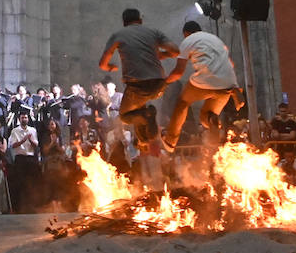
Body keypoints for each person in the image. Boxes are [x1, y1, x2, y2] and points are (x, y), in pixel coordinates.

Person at [98, 8, 181, 148]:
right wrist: (162, 55)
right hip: (159, 85)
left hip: (137, 87)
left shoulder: (119, 35)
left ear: (124, 22)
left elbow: (102, 64)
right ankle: (144, 138)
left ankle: (146, 116)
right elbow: (175, 51)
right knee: (138, 108)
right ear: (140, 20)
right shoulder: (153, 32)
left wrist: (110, 67)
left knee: (125, 116)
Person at [164, 20, 243, 151]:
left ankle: (171, 140)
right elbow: (232, 64)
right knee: (206, 117)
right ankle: (212, 119)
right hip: (228, 84)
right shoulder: (216, 39)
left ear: (186, 34)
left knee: (183, 102)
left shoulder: (188, 41)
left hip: (206, 80)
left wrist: (164, 83)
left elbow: (178, 72)